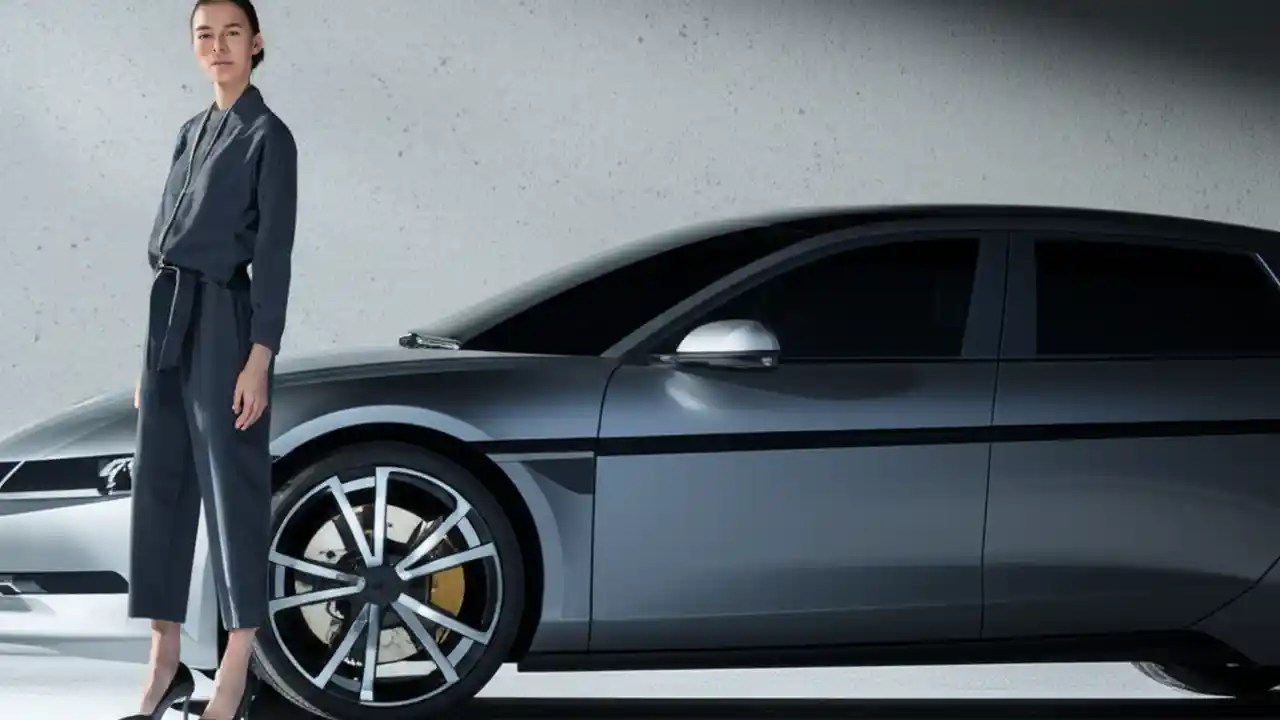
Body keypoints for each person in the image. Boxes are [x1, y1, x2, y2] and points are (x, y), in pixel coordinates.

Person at [121, 0, 297, 718]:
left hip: (228, 321)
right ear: (193, 47)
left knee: (233, 494)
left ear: (256, 44)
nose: (217, 46)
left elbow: (275, 257)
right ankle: (164, 662)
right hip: (168, 320)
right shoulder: (190, 132)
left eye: (231, 34)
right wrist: (149, 361)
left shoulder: (269, 136)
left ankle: (235, 665)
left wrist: (259, 358)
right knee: (158, 489)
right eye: (205, 35)